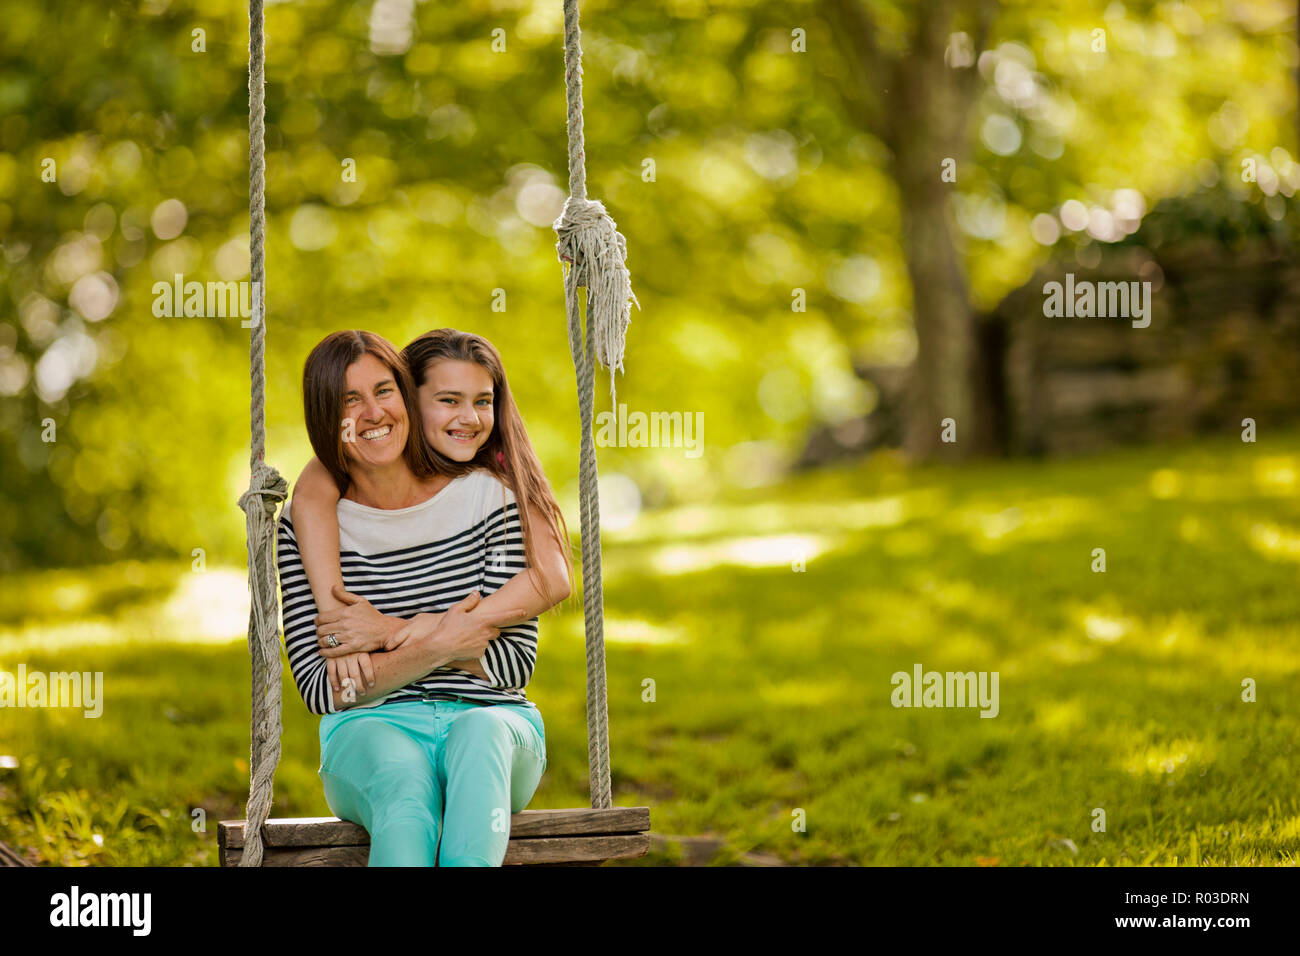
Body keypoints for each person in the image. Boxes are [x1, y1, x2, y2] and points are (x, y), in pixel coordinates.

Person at [276, 329, 572, 866]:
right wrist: (448, 642)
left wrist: (391, 635)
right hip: (367, 729)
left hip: (496, 721)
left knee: (479, 734)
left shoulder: (491, 497)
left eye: (383, 391)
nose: (372, 411)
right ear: (327, 414)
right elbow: (327, 688)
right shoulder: (308, 526)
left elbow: (510, 665)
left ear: (405, 398)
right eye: (349, 399)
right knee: (404, 792)